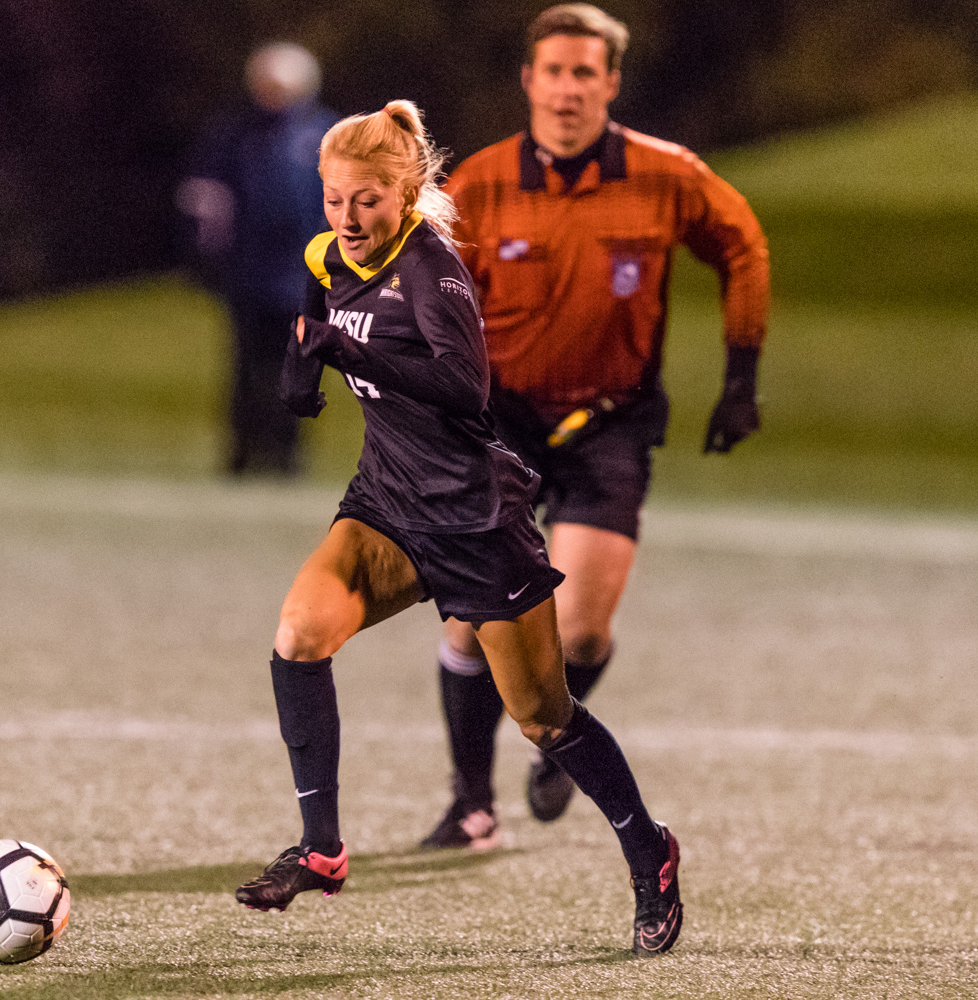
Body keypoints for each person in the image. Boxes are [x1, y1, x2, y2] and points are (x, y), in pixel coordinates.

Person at [233, 99, 683, 957]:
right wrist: (301, 380)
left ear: (406, 193)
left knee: (545, 719)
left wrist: (351, 356)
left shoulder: (430, 267)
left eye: (366, 198)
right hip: (387, 505)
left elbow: (464, 389)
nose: (347, 217)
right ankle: (323, 847)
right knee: (298, 635)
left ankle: (648, 849)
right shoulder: (327, 253)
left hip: (476, 520)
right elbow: (313, 330)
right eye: (333, 197)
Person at [418, 3, 769, 851]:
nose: (569, 88)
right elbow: (426, 297)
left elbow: (743, 247)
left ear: (610, 82)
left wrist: (740, 376)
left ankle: (558, 737)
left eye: (586, 73)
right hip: (498, 426)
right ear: (529, 81)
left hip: (609, 426)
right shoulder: (480, 184)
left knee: (578, 628)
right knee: (468, 618)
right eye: (555, 71)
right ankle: (472, 804)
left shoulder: (665, 173)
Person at [177, 43, 336, 476]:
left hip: (305, 274)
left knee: (297, 367)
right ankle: (243, 454)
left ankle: (286, 455)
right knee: (247, 367)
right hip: (249, 272)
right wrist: (206, 251)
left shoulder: (328, 135)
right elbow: (207, 200)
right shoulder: (233, 135)